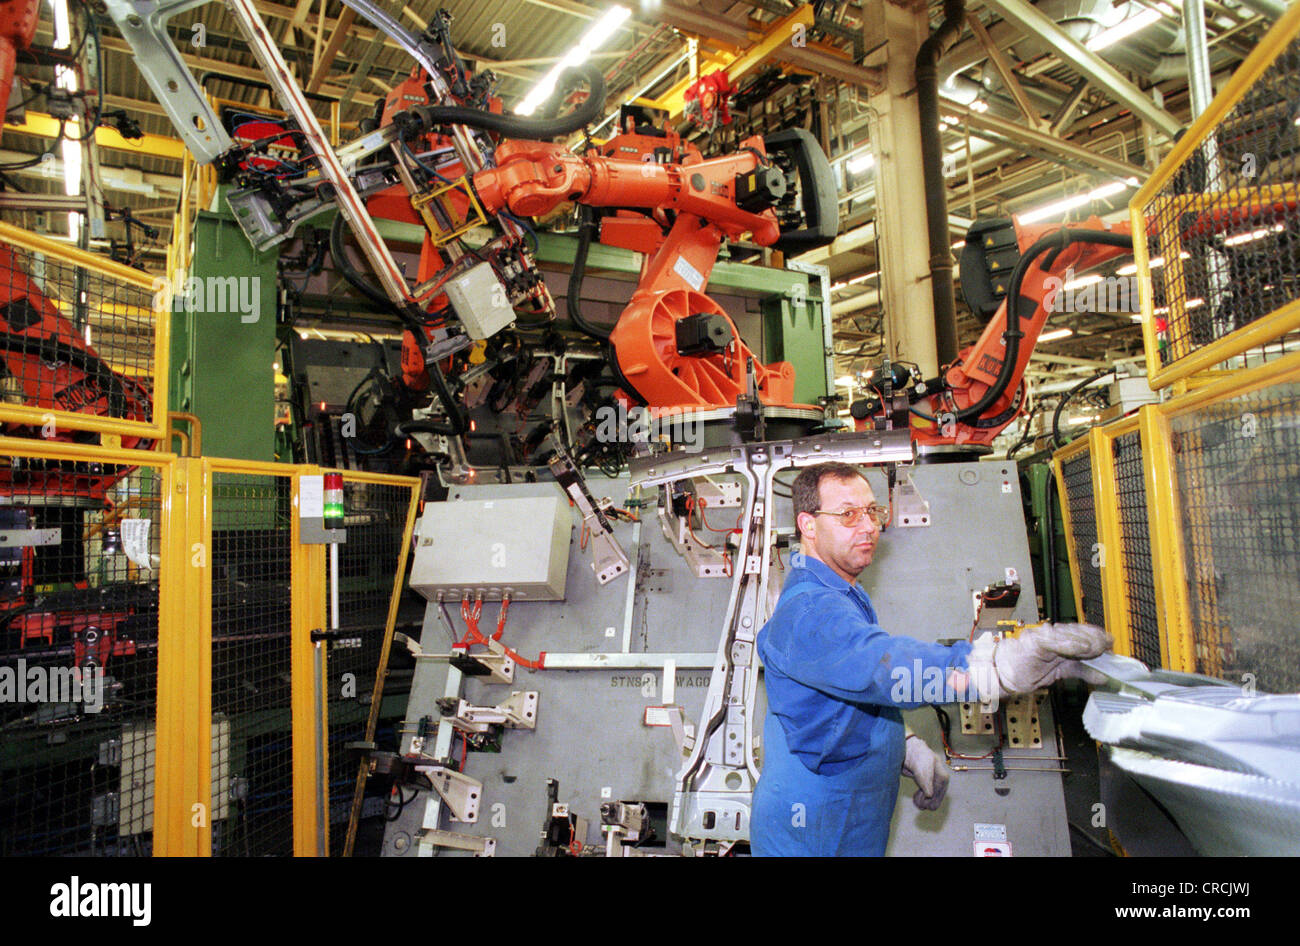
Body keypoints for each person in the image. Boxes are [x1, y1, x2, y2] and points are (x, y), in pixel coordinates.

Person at [751, 461, 1111, 856]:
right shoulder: (810, 611)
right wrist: (994, 669)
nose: (869, 526)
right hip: (812, 827)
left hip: (846, 812)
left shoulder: (842, 593)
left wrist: (901, 745)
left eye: (872, 511)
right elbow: (882, 668)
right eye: (848, 514)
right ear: (808, 525)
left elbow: (842, 695)